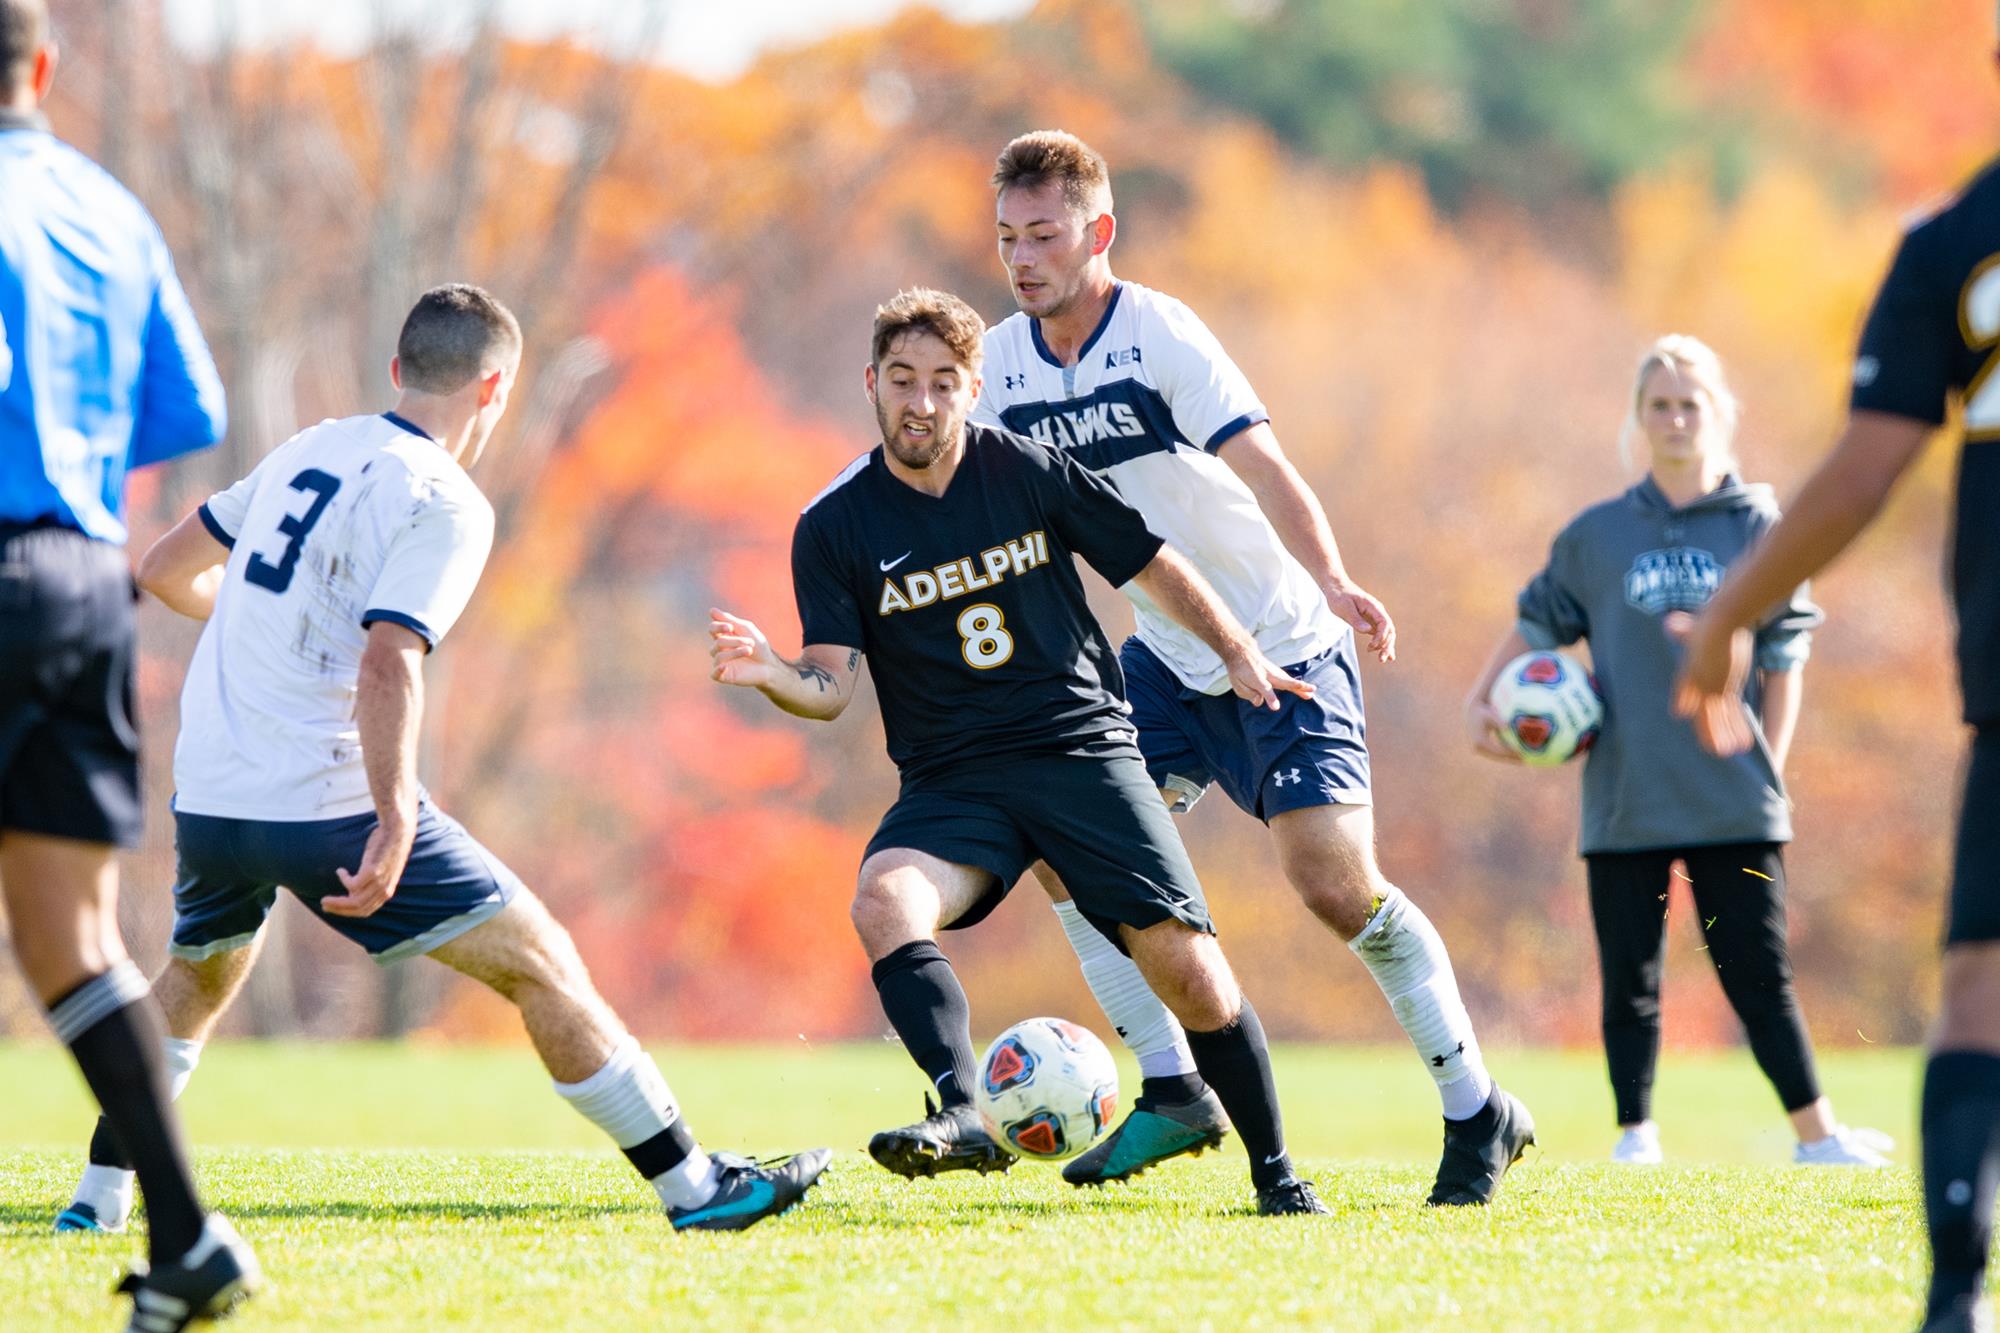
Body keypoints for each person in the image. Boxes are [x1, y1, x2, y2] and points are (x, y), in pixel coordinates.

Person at [55, 285, 830, 1242]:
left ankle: (94, 1203)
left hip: (213, 795)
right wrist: (395, 815)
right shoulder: (447, 499)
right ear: (496, 387)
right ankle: (695, 1188)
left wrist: (277, 633)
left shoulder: (310, 446)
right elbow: (389, 657)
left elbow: (165, 570)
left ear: (398, 371)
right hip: (327, 800)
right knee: (542, 965)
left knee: (197, 977)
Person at [969, 129, 1532, 1205]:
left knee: (1331, 887)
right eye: (1005, 238)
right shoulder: (998, 363)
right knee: (1063, 857)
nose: (1021, 258)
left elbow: (1263, 462)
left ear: (1098, 232)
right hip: (1166, 666)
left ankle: (1478, 1110)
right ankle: (1176, 1091)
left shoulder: (1159, 333)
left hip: (1281, 648)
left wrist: (1330, 577)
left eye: (1042, 235)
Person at [710, 286, 1330, 1215]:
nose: (921, 402)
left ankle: (1277, 1173)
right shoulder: (833, 523)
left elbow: (1152, 562)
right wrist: (770, 672)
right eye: (902, 380)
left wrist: (1239, 651)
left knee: (1189, 966)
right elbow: (831, 686)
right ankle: (962, 1113)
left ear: (974, 388)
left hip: (1082, 750)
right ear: (870, 384)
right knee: (885, 901)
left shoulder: (1028, 469)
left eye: (944, 382)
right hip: (956, 778)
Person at [1675, 61, 2000, 1329]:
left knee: (1980, 982)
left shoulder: (1953, 243)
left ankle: (1955, 1297)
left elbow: (1860, 475)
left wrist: (1726, 612)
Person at [1464, 335, 1888, 1168]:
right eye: (1659, 404)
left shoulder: (1761, 526)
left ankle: (1818, 1137)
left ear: (1719, 414)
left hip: (1733, 796)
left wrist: (1770, 766)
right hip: (1626, 794)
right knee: (1631, 976)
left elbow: (1785, 653)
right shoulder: (1598, 535)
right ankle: (1636, 1136)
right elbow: (1533, 625)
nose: (1676, 417)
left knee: (1757, 970)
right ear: (1638, 420)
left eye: (1691, 403)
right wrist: (1484, 700)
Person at [0, 3, 262, 1326]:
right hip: (82, 582)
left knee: (69, 938)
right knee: (72, 939)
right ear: (39, 69)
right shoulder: (105, 205)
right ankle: (188, 1236)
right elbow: (185, 409)